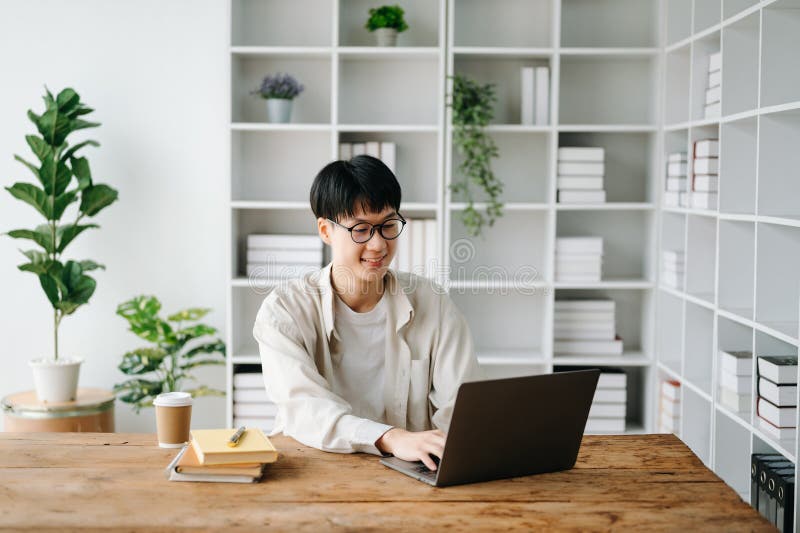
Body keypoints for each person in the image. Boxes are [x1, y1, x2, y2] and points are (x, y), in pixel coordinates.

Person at [253, 155, 482, 471]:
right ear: (325, 230)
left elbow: (463, 407)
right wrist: (389, 437)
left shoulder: (433, 303)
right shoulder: (284, 311)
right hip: (315, 467)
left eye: (388, 226)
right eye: (361, 230)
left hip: (410, 474)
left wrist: (446, 449)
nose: (378, 245)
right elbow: (305, 409)